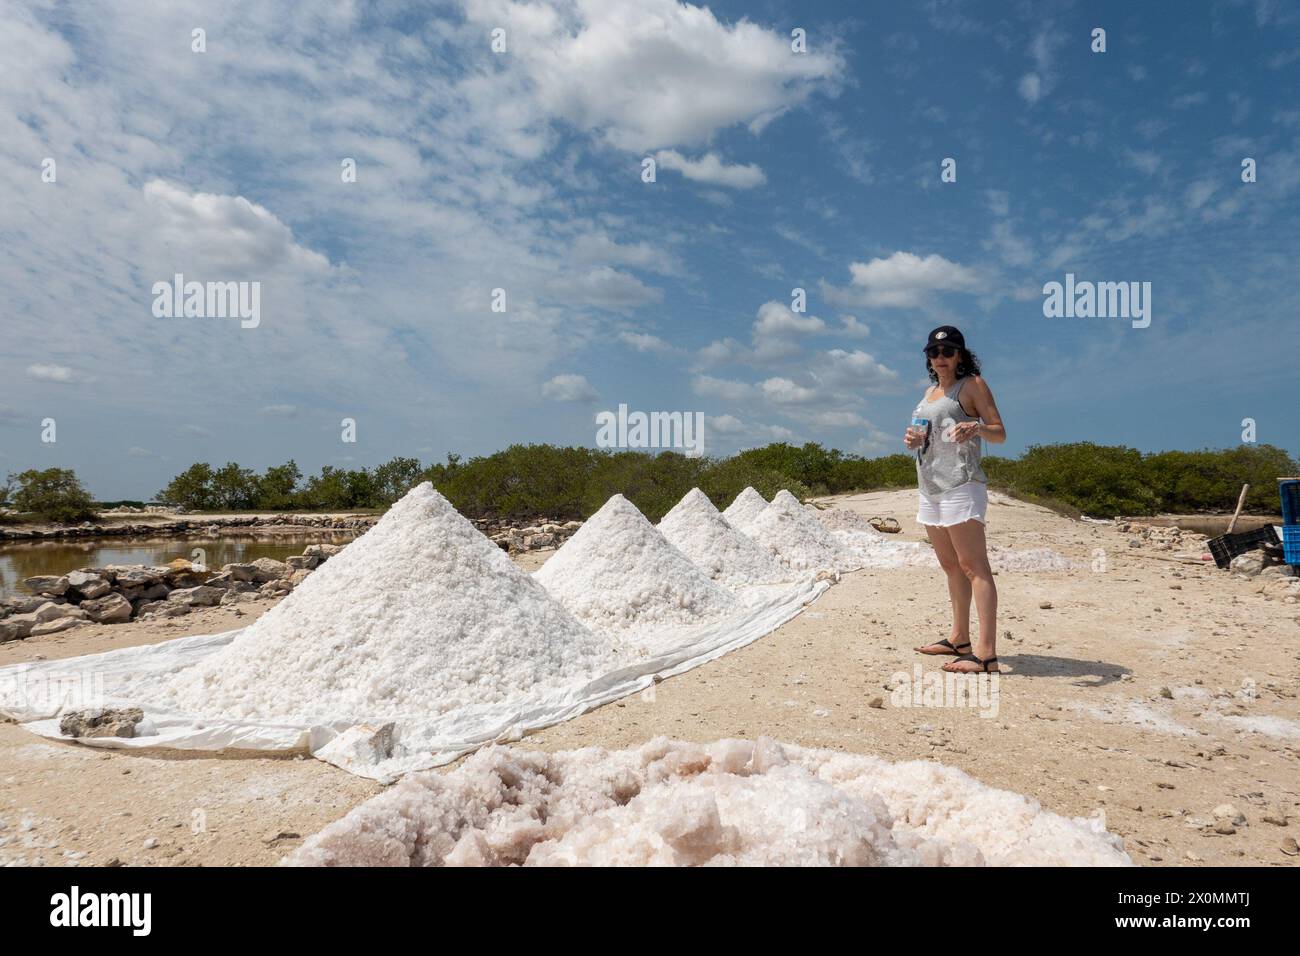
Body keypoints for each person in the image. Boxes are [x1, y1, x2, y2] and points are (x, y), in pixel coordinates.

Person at [906, 326, 1005, 673]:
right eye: (934, 353)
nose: (940, 358)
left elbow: (1000, 432)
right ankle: (959, 638)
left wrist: (976, 428)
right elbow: (926, 436)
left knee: (974, 567)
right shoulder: (930, 391)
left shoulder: (973, 385)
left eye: (948, 352)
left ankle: (986, 654)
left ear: (960, 355)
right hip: (930, 487)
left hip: (962, 485)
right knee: (950, 566)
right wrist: (913, 439)